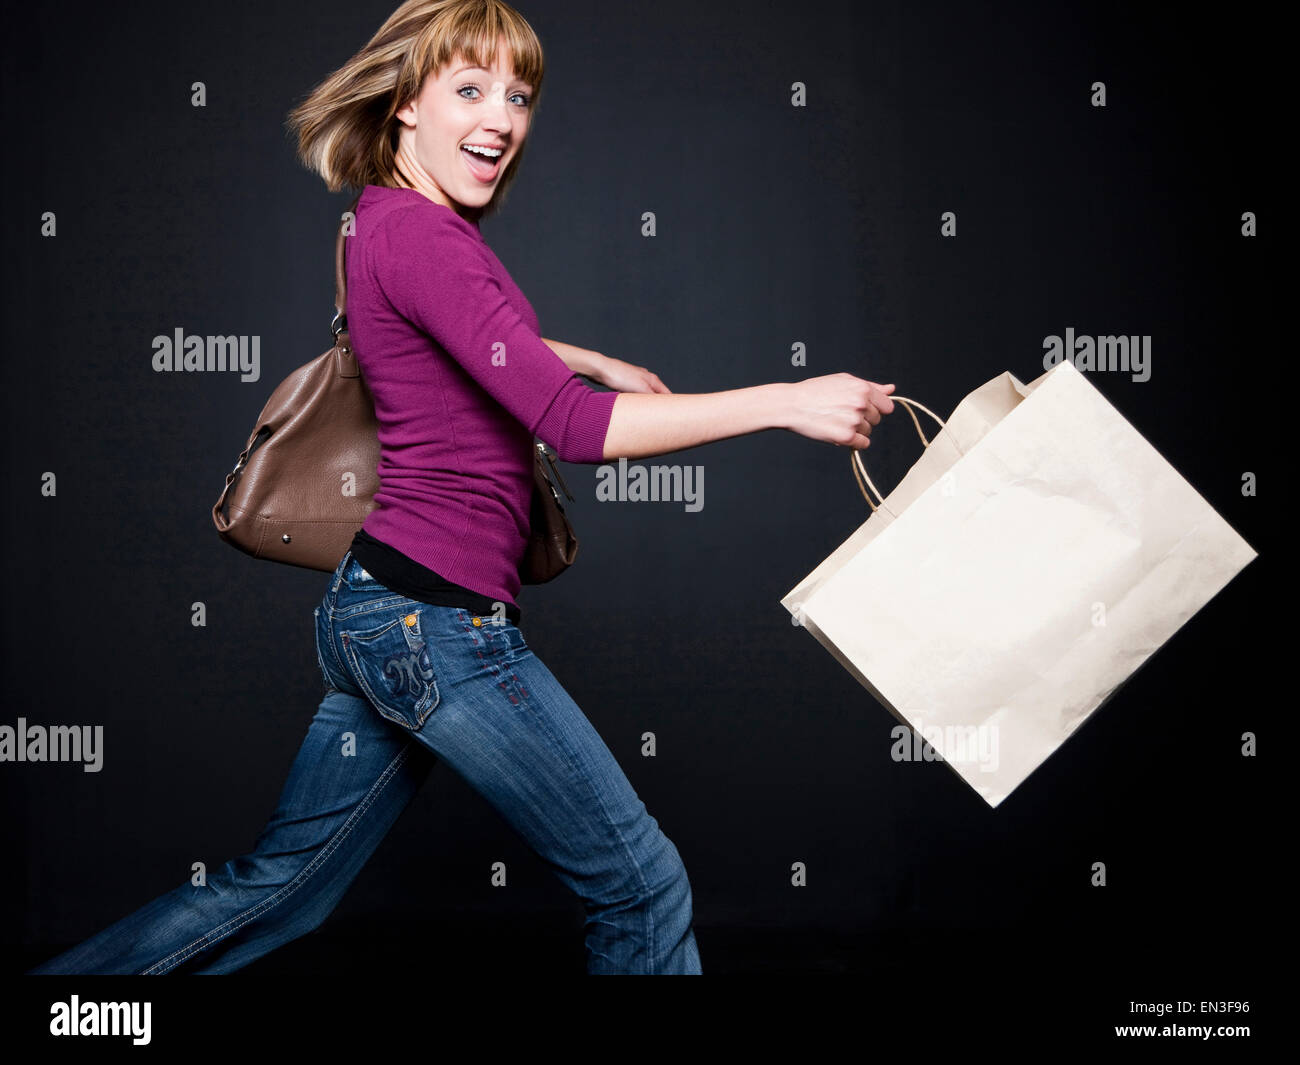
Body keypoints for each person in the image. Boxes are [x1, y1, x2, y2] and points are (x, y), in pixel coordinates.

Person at [27, 0, 894, 976]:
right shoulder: (430, 239)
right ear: (403, 102)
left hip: (379, 612)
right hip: (437, 629)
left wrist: (583, 354)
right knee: (641, 888)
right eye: (470, 88)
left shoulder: (384, 223)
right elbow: (568, 427)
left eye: (517, 95)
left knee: (277, 889)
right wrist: (785, 399)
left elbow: (424, 339)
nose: (502, 118)